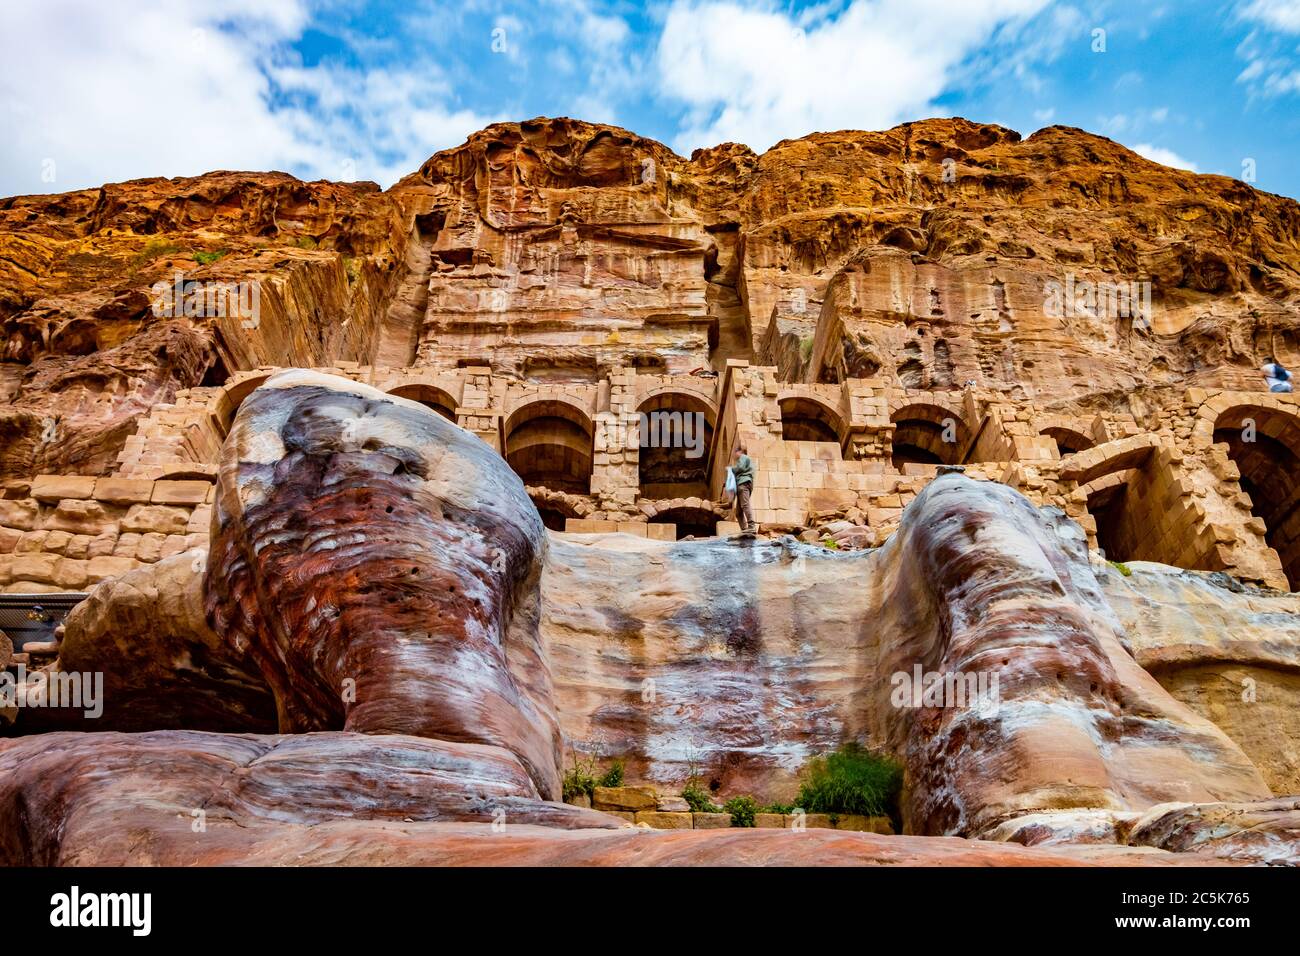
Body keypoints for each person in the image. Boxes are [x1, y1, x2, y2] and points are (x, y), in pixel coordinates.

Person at [731, 444, 756, 535]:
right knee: (738, 512)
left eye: (736, 452)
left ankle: (752, 527)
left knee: (745, 505)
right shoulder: (745, 460)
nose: (735, 454)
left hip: (743, 483)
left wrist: (731, 469)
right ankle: (744, 529)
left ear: (740, 451)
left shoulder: (743, 457)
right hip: (742, 484)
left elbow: (740, 468)